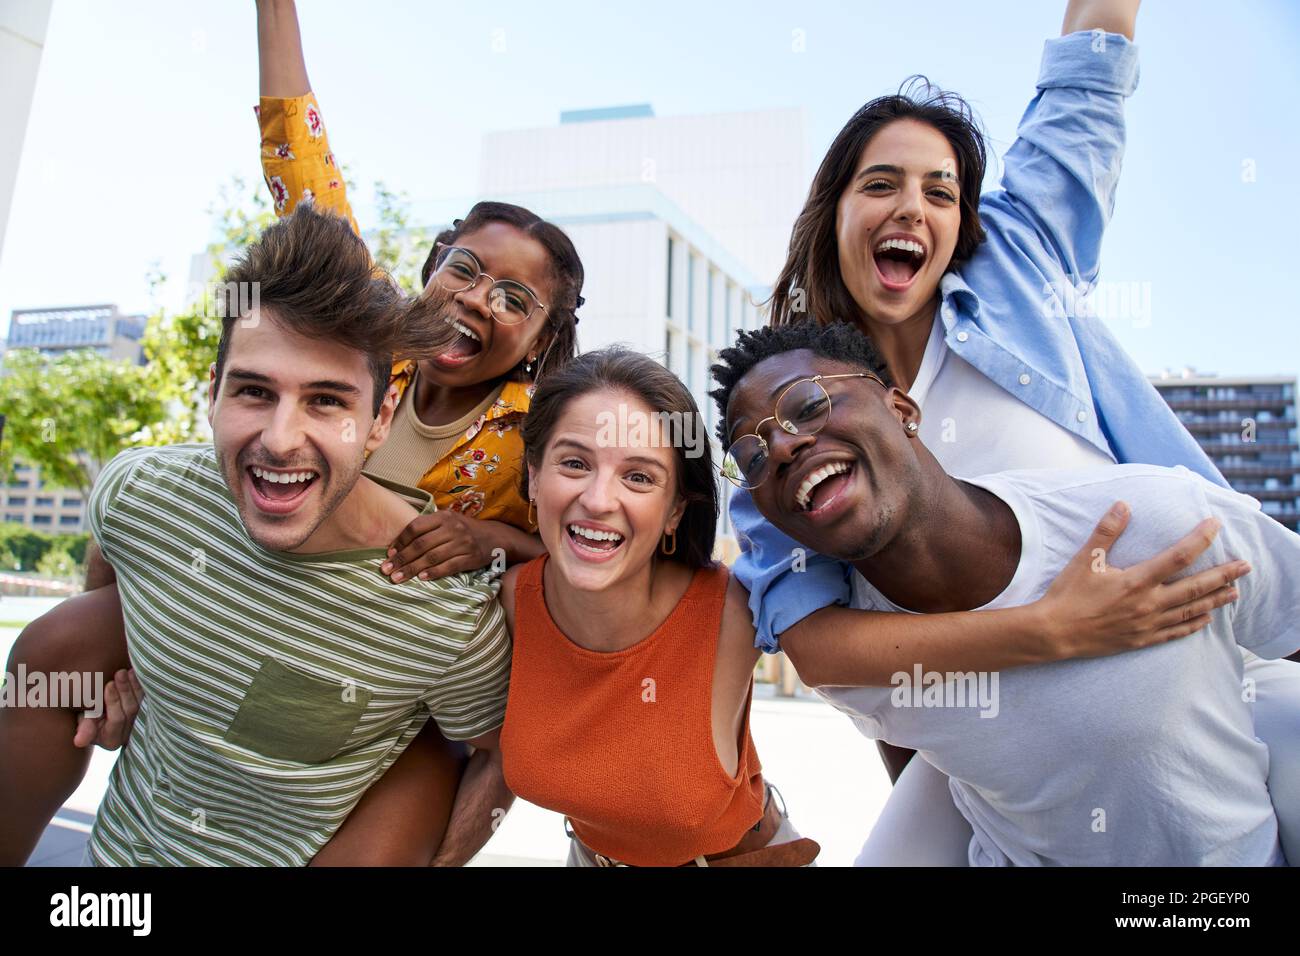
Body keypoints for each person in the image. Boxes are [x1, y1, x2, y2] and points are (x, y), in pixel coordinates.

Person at [0, 0, 590, 865]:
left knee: (436, 758)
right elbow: (296, 151)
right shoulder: (350, 324)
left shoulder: (541, 437)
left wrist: (490, 535)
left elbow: (587, 555)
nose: (478, 299)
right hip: (245, 588)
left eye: (516, 300)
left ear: (542, 340)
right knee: (67, 639)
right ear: (423, 274)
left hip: (391, 659)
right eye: (465, 269)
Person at [726, 0, 1300, 861]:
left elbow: (1085, 89)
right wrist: (1051, 633)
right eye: (880, 184)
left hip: (1173, 667)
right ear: (834, 209)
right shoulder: (786, 422)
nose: (912, 207)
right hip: (990, 720)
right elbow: (823, 644)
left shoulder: (1017, 268)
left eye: (941, 191)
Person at [4, 204, 514, 866]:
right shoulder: (141, 492)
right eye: (252, 391)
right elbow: (113, 542)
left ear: (380, 416)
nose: (280, 440)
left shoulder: (447, 611)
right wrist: (124, 661)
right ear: (213, 392)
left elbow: (498, 753)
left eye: (326, 401)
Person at [714, 321, 1298, 865]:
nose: (783, 447)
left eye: (808, 404)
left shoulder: (1157, 522)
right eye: (752, 455)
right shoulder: (857, 663)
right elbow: (915, 748)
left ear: (902, 409)